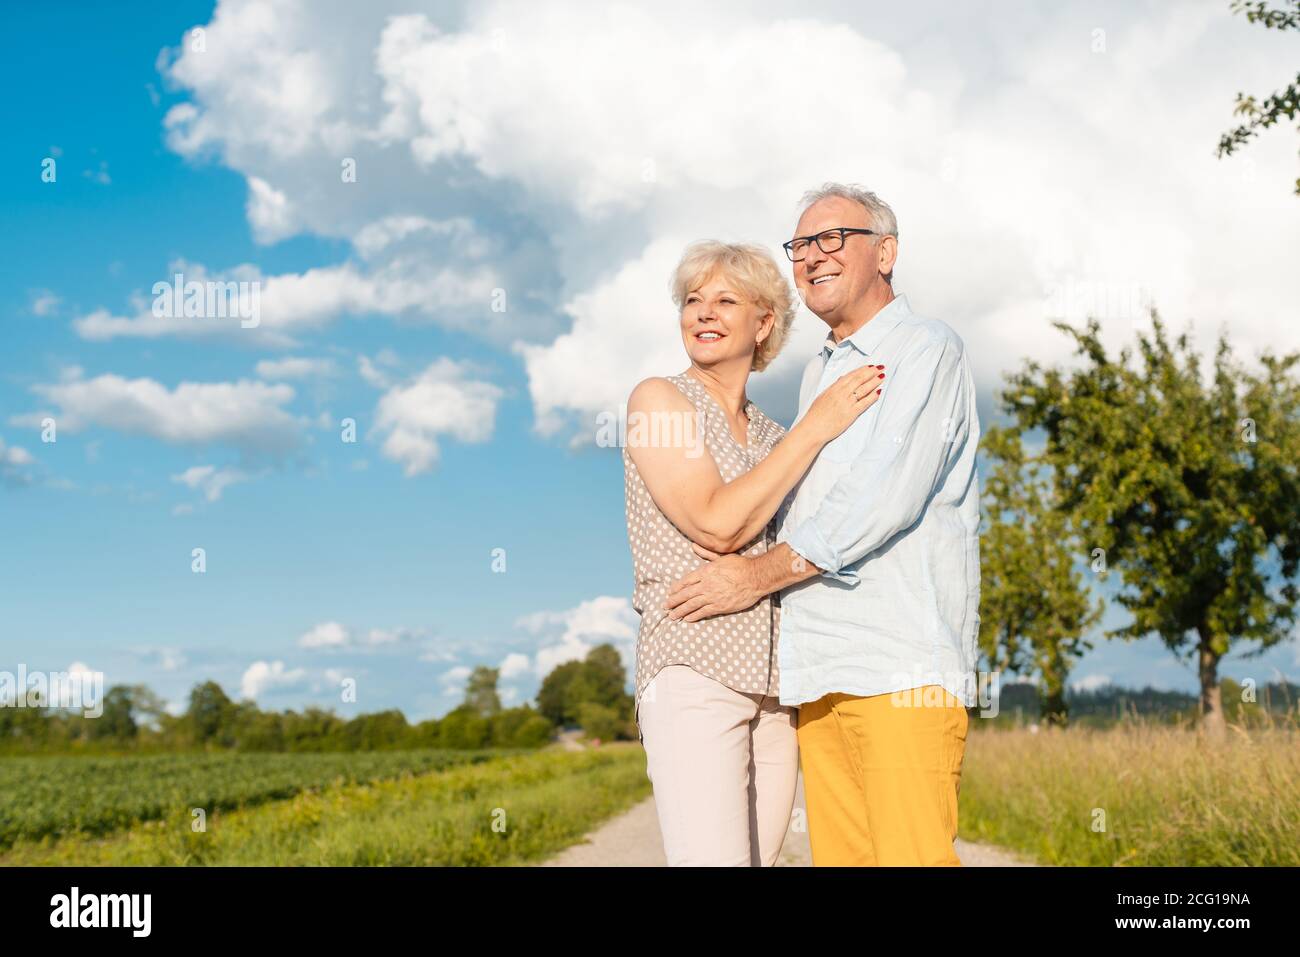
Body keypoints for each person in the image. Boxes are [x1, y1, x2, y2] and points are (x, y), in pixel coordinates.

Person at [666, 184, 981, 866]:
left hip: (899, 667)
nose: (812, 256)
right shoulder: (819, 373)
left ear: (886, 252)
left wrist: (752, 575)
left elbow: (880, 498)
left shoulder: (925, 347)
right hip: (820, 673)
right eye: (802, 244)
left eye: (833, 237)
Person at [623, 238, 884, 866]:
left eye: (725, 301)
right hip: (693, 671)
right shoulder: (658, 401)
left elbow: (810, 544)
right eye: (692, 301)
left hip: (775, 693)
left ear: (764, 323)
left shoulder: (772, 435)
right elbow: (717, 525)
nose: (703, 313)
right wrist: (819, 425)